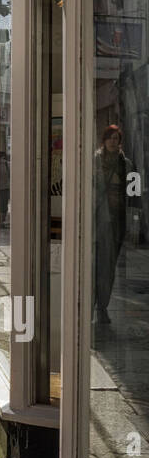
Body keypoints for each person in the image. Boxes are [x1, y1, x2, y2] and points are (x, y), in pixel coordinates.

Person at [94, 123, 130, 325]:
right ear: (104, 140)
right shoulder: (95, 162)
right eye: (110, 138)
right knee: (92, 265)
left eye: (116, 139)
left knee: (108, 267)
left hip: (116, 222)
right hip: (96, 219)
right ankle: (89, 308)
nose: (113, 142)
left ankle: (102, 308)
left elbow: (133, 193)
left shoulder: (126, 164)